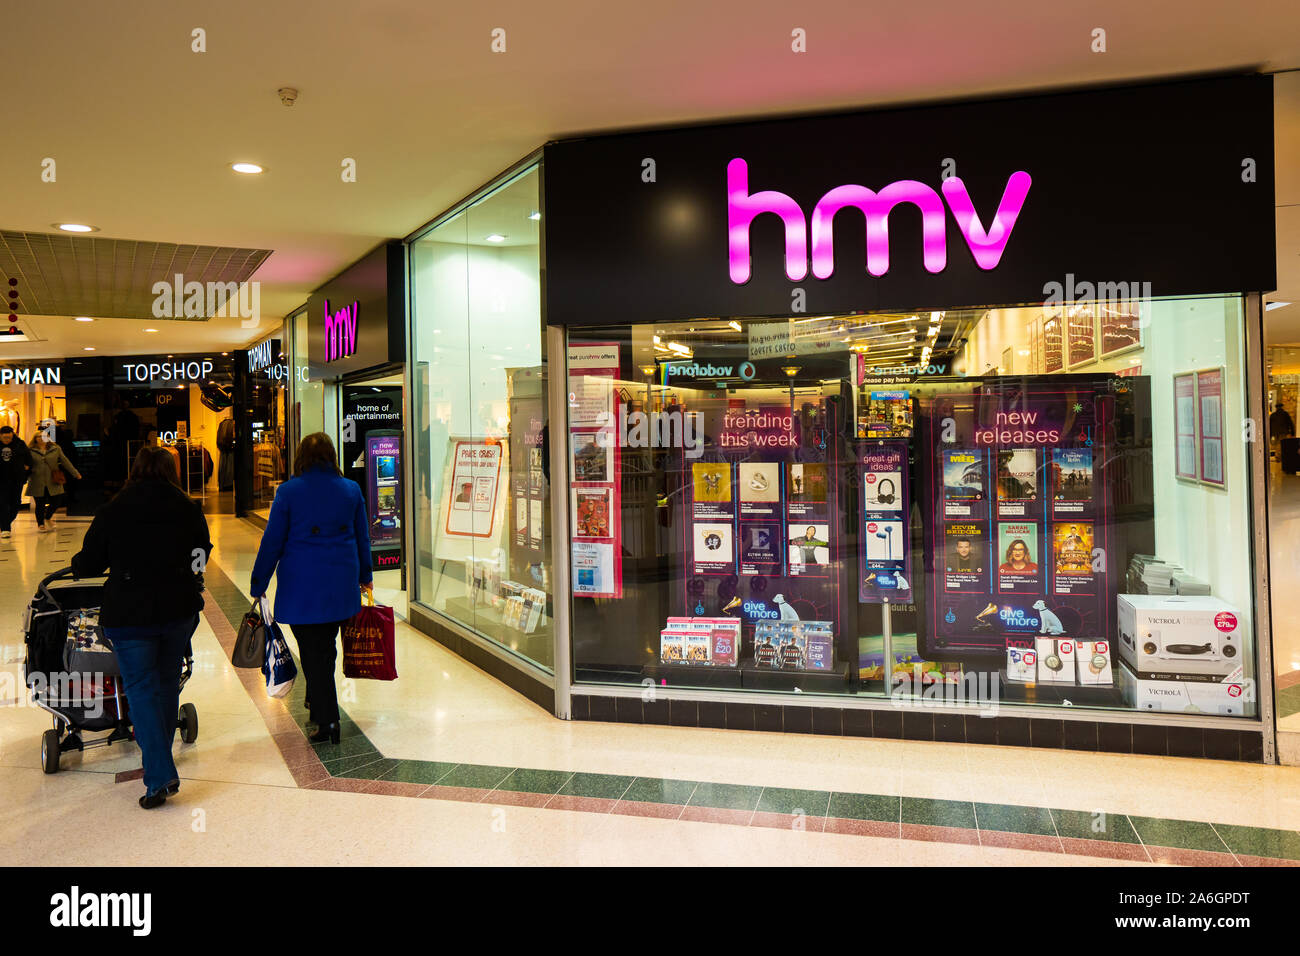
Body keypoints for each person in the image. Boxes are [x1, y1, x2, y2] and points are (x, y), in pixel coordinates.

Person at [71, 446, 212, 809]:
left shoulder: (114, 509)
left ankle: (159, 775)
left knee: (140, 689)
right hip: (178, 610)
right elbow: (200, 557)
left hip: (130, 614)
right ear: (171, 471)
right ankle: (160, 766)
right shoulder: (188, 508)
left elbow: (88, 564)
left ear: (135, 470)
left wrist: (81, 563)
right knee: (166, 685)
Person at [250, 432, 373, 745]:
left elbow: (272, 541)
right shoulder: (350, 489)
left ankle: (327, 718)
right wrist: (367, 576)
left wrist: (259, 581)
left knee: (312, 651)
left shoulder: (289, 492)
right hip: (340, 584)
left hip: (301, 586)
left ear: (301, 457)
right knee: (325, 648)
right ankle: (317, 703)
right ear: (332, 456)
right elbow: (363, 538)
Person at [27, 429, 82, 532]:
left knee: (57, 500)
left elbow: (65, 461)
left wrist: (75, 473)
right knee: (40, 504)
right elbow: (25, 465)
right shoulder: (30, 451)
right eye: (39, 436)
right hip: (37, 480)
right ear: (35, 439)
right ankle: (40, 524)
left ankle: (47, 517)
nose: (42, 438)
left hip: (53, 479)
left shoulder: (55, 448)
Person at [0, 426, 32, 539]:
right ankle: (5, 528)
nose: (7, 440)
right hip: (1, 481)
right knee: (2, 504)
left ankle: (4, 523)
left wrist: (26, 471)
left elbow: (29, 459)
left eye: (9, 437)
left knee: (16, 504)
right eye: (4, 438)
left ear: (12, 435)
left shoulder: (20, 444)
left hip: (16, 480)